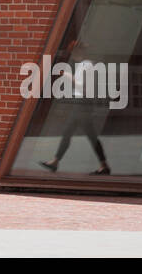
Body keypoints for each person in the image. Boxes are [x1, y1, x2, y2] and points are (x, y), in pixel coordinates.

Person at [38, 39, 110, 176]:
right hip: (81, 103)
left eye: (73, 52)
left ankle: (56, 161)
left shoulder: (86, 65)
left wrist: (67, 75)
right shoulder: (85, 64)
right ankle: (56, 161)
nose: (72, 55)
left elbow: (82, 86)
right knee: (79, 134)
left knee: (80, 134)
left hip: (82, 103)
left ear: (79, 52)